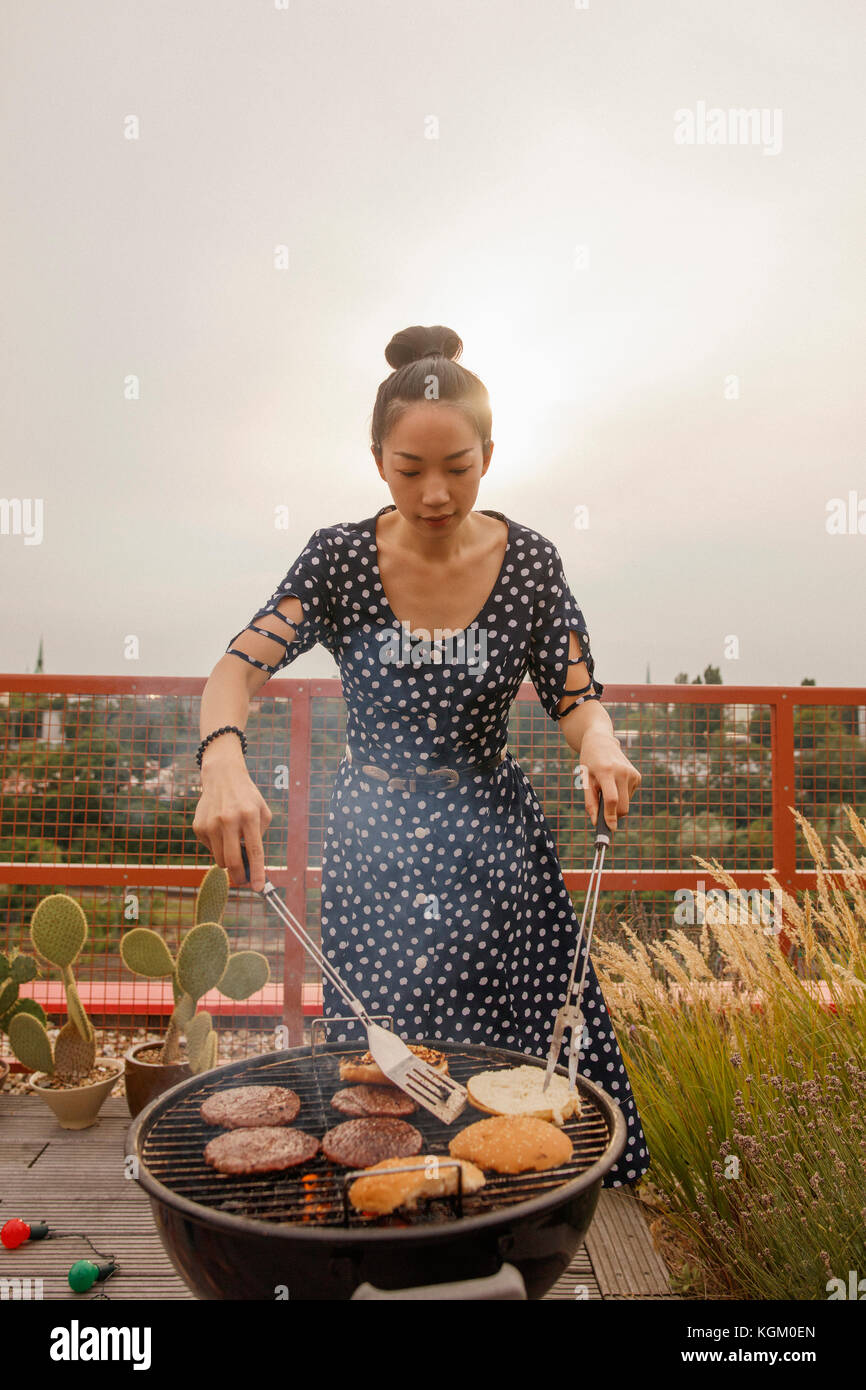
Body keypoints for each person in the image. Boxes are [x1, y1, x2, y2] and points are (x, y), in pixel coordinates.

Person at [193, 323, 649, 1186]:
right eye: (410, 471)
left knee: (514, 1061)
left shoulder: (531, 563)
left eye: (458, 468)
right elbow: (235, 671)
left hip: (493, 837)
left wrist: (602, 744)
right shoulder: (338, 559)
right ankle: (387, 1212)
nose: (435, 493)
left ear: (490, 454)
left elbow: (575, 695)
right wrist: (222, 758)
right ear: (377, 460)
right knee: (380, 1072)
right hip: (378, 838)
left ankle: (521, 1211)